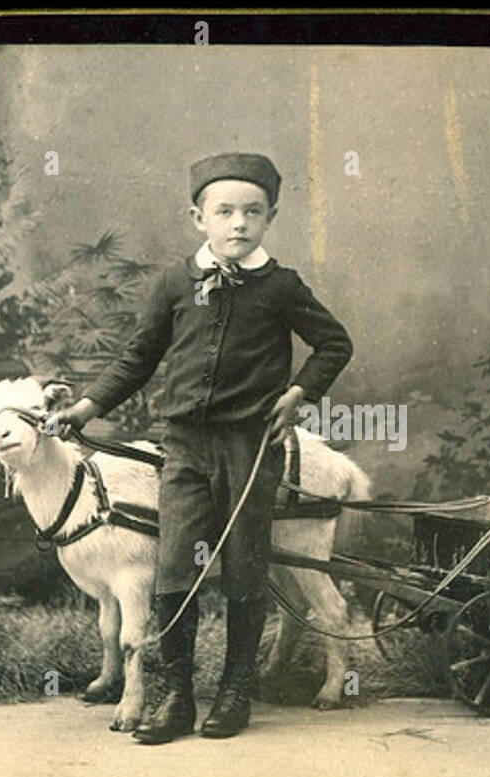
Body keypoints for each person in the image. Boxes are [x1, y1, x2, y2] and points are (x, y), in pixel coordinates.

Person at [52, 153, 353, 743]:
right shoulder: (174, 282)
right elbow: (138, 358)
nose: (238, 223)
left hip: (249, 446)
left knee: (245, 567)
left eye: (253, 212)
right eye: (224, 212)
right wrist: (87, 407)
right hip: (184, 445)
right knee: (174, 568)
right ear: (199, 217)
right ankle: (177, 696)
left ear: (270, 217)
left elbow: (334, 344)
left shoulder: (281, 286)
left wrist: (298, 393)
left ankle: (235, 692)